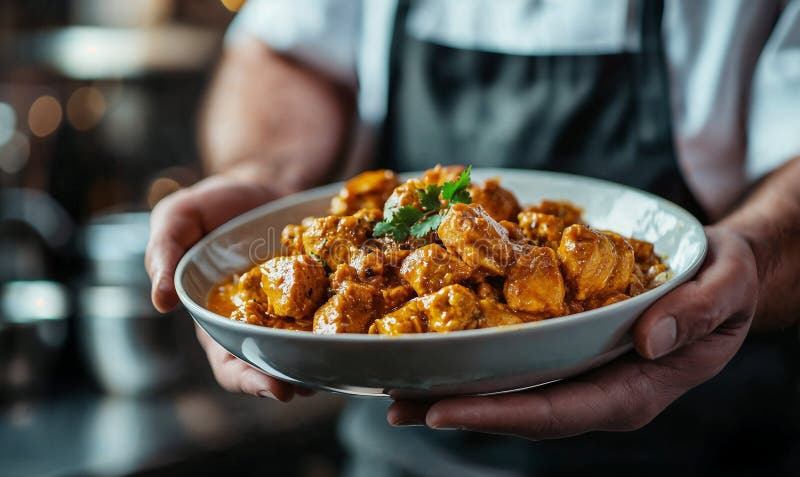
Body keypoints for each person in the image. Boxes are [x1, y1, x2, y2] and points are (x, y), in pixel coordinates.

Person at [146, 0, 800, 474]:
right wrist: (269, 173)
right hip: (400, 444)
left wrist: (759, 247)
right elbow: (282, 51)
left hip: (707, 440)